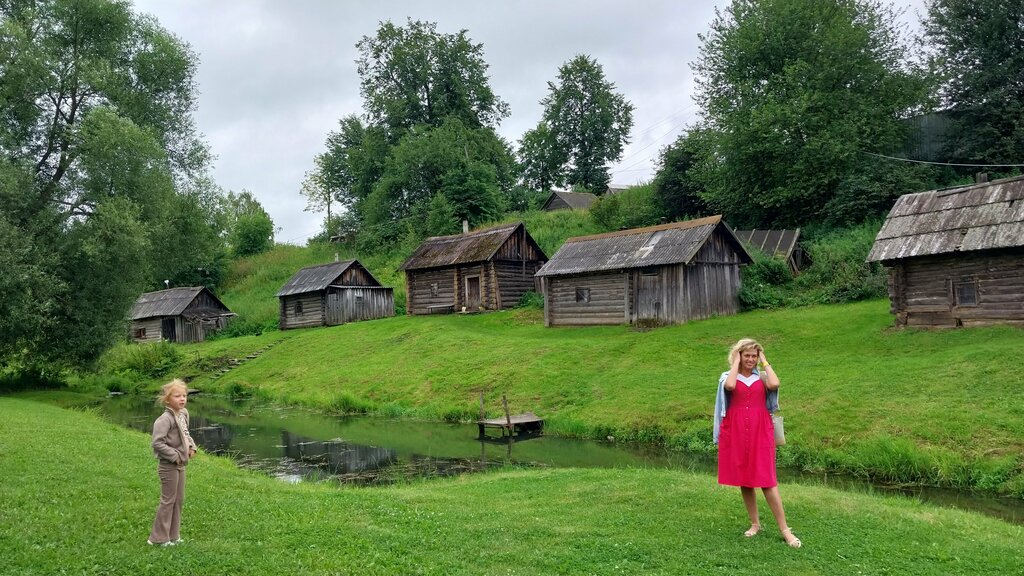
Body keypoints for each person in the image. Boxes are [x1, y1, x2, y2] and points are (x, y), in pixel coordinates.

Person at [713, 338, 801, 548]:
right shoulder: (727, 377)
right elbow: (731, 386)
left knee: (768, 481)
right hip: (737, 432)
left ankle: (785, 530)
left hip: (760, 432)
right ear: (739, 356)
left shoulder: (761, 378)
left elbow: (775, 384)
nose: (751, 359)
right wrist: (735, 362)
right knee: (745, 479)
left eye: (754, 355)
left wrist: (765, 361)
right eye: (747, 355)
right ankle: (755, 523)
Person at [148, 379, 197, 546]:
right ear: (167, 399)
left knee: (178, 500)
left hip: (181, 465)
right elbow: (157, 443)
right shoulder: (164, 419)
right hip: (168, 466)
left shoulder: (183, 414)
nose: (182, 399)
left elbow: (185, 434)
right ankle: (158, 538)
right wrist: (175, 455)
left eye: (184, 395)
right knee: (168, 500)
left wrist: (191, 447)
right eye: (177, 396)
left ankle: (173, 536)